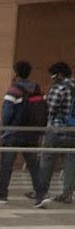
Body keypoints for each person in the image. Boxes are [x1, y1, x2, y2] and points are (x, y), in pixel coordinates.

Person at [0, 60, 46, 204]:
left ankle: (1, 194)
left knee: (7, 164)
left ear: (16, 72)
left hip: (14, 133)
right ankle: (41, 193)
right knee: (33, 164)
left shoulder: (14, 90)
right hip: (31, 132)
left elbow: (7, 113)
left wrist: (4, 130)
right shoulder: (37, 89)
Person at [34, 61, 75, 207]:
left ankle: (41, 191)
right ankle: (67, 194)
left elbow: (50, 108)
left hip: (56, 129)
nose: (52, 77)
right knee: (70, 161)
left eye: (53, 74)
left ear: (60, 74)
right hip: (72, 130)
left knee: (47, 160)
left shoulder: (59, 88)